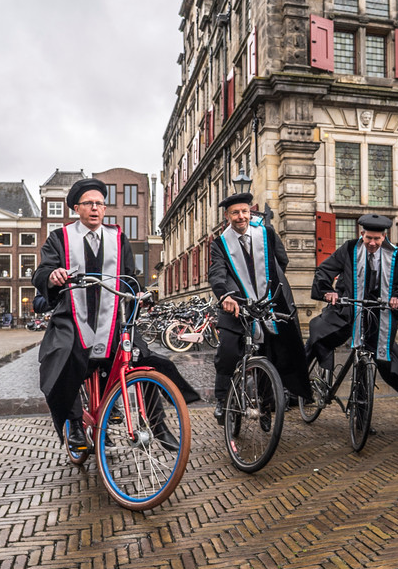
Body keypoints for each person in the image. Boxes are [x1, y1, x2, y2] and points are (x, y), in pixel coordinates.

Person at [33, 177, 200, 451]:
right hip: (74, 319)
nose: (95, 208)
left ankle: (158, 425)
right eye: (89, 203)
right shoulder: (60, 238)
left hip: (113, 319)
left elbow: (130, 276)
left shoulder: (117, 237)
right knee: (61, 358)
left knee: (142, 358)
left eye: (100, 203)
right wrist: (53, 274)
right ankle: (74, 424)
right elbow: (41, 272)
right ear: (77, 208)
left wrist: (141, 294)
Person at [207, 192, 312, 424]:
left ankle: (265, 405)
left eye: (244, 211)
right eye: (235, 213)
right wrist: (225, 295)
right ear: (227, 216)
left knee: (270, 352)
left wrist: (272, 285)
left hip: (267, 303)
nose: (240, 216)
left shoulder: (266, 234)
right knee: (228, 351)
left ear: (250, 212)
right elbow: (217, 274)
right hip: (235, 305)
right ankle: (223, 401)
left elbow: (281, 261)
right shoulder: (219, 244)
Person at [305, 213, 398, 396]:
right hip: (347, 306)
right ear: (362, 234)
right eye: (368, 238)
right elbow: (325, 269)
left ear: (384, 237)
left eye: (377, 239)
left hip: (376, 312)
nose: (372, 243)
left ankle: (362, 420)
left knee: (387, 356)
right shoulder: (349, 249)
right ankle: (295, 385)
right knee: (318, 335)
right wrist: (327, 291)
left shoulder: (394, 255)